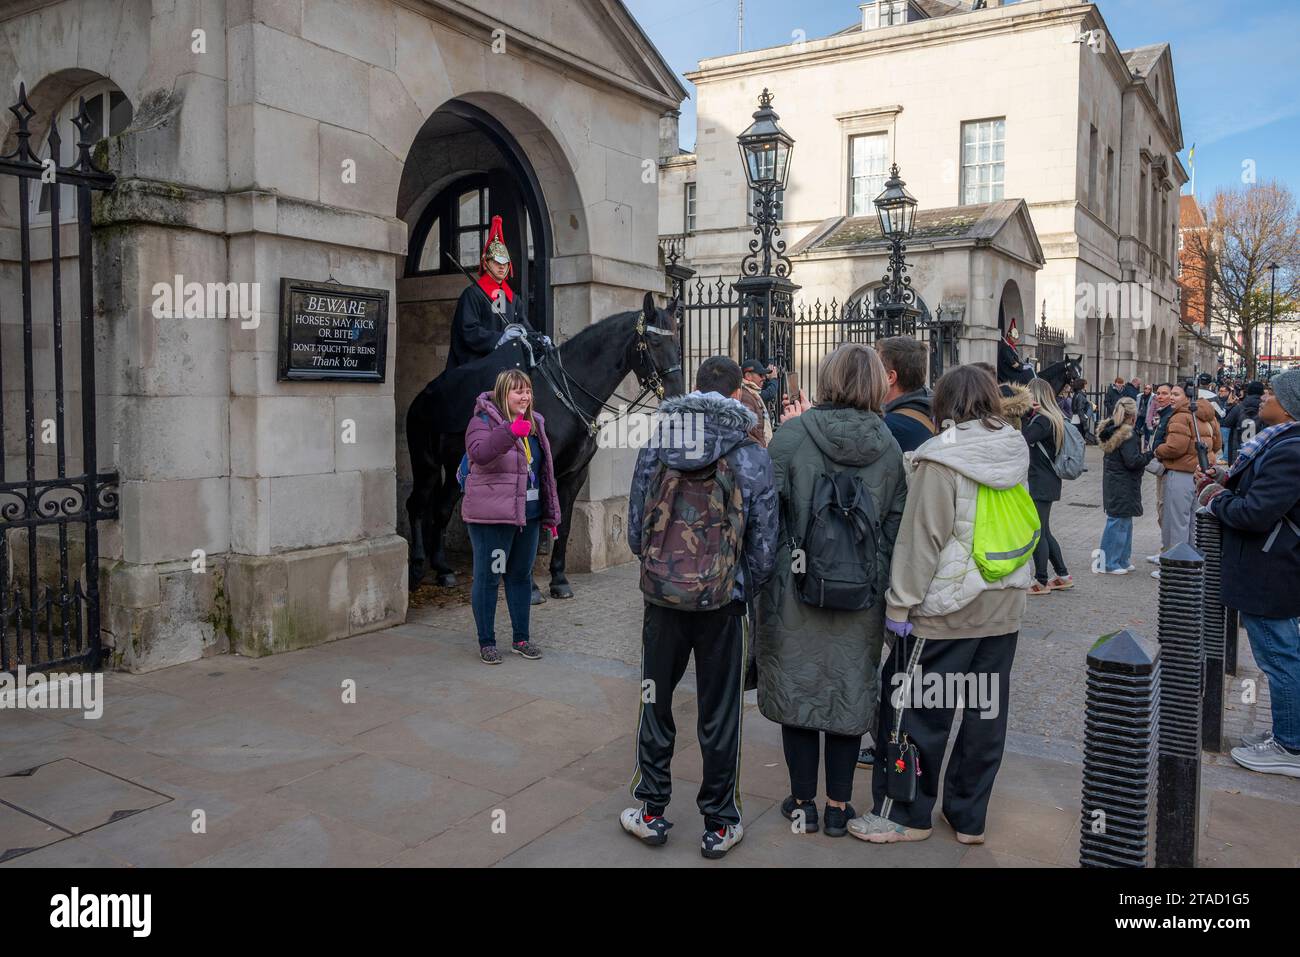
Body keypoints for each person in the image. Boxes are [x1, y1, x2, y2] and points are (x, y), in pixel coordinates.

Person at [846, 365, 1031, 844]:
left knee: (914, 713)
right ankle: (968, 817)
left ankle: (903, 814)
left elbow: (920, 541)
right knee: (984, 715)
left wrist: (899, 606)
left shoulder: (940, 458)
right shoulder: (1012, 447)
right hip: (1003, 603)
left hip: (947, 611)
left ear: (943, 402)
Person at [622, 356, 778, 859]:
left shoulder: (657, 445)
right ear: (737, 395)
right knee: (720, 711)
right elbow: (765, 546)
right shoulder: (751, 455)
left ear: (693, 390)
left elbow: (633, 531)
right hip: (724, 605)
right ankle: (720, 820)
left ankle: (650, 809)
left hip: (662, 600)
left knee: (654, 700)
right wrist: (738, 586)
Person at [757, 343, 907, 837]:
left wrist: (776, 568)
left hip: (794, 587)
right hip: (859, 593)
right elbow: (894, 527)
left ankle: (803, 803)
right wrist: (876, 577)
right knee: (846, 694)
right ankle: (839, 807)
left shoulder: (793, 434)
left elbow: (765, 510)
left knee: (797, 691)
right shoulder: (887, 445)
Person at [1196, 369, 1300, 777]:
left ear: (1291, 404)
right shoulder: (1279, 442)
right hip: (1269, 566)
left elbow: (1256, 513)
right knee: (1281, 654)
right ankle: (1287, 733)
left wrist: (1216, 498)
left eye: (1272, 392)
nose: (1262, 398)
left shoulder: (1291, 448)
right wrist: (1226, 479)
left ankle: (1290, 746)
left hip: (1271, 569)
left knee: (1280, 658)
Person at [461, 370, 560, 664]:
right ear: (504, 394)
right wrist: (509, 432)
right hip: (493, 518)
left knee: (520, 576)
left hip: (527, 516)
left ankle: (521, 638)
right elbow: (480, 454)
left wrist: (550, 513)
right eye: (518, 391)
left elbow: (544, 473)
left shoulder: (536, 424)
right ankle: (487, 642)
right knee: (488, 579)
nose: (525, 397)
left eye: (528, 391)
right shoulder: (480, 422)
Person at [447, 215, 536, 371]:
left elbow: (525, 327)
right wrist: (499, 338)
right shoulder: (473, 294)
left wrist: (538, 338)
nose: (502, 267)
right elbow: (469, 331)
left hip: (507, 365)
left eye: (505, 263)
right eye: (496, 262)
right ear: (486, 264)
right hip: (479, 365)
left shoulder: (513, 299)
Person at [1152, 386, 1221, 574]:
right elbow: (1217, 444)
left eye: (1176, 394)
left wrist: (1158, 451)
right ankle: (1193, 566)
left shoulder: (1181, 416)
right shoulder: (1209, 415)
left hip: (1181, 472)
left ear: (1187, 397)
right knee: (1193, 524)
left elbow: (1175, 447)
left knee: (1176, 523)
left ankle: (1174, 569)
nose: (1172, 398)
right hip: (1201, 475)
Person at [1022, 378, 1072, 595]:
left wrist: (1023, 414)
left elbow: (1021, 439)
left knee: (1038, 532)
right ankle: (1062, 574)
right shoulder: (1052, 418)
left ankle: (1041, 580)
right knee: (1045, 530)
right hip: (1047, 480)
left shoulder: (1043, 421)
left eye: (1028, 394)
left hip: (1041, 481)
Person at [1096, 397, 1150, 575]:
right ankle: (1108, 562)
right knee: (1118, 521)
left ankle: (1122, 559)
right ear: (1133, 415)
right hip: (1123, 482)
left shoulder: (1110, 429)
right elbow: (1132, 461)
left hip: (1116, 480)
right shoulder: (1127, 434)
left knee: (1124, 520)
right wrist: (1150, 455)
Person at [876, 336, 935, 452]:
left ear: (890, 377)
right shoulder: (933, 409)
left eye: (876, 369)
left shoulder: (889, 427)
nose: (872, 375)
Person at [1223, 380, 1264, 464]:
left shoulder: (1239, 407)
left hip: (1238, 451)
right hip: (1258, 452)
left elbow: (1226, 423)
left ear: (1248, 391)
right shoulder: (1265, 409)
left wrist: (1229, 407)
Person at [738, 358, 774, 447]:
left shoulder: (753, 393)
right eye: (761, 375)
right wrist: (762, 446)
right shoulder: (746, 396)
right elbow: (750, 431)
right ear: (748, 376)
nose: (764, 378)